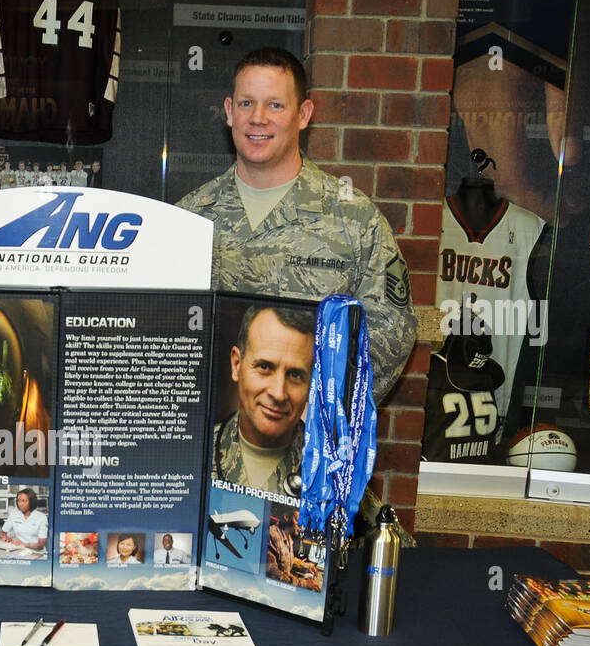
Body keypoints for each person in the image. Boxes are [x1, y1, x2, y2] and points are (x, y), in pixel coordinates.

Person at [176, 47, 416, 406]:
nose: (258, 118)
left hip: (309, 451)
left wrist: (318, 415)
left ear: (303, 114)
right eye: (246, 104)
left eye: (275, 105)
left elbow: (390, 334)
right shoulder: (189, 219)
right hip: (206, 445)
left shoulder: (354, 221)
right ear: (229, 112)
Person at [213, 303, 314, 495]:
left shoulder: (331, 473)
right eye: (265, 367)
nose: (278, 393)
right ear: (236, 365)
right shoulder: (194, 457)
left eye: (295, 375)